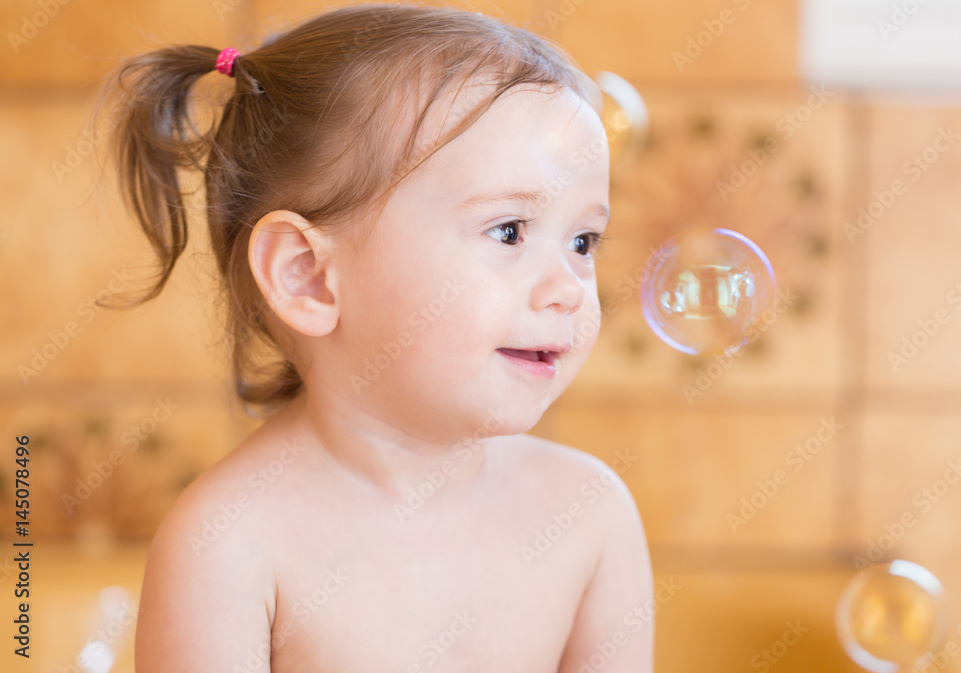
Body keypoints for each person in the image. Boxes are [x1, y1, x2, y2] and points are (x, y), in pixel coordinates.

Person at [89, 3, 654, 671]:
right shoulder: (230, 543)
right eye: (509, 231)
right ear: (308, 275)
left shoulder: (587, 514)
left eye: (583, 241)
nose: (569, 288)